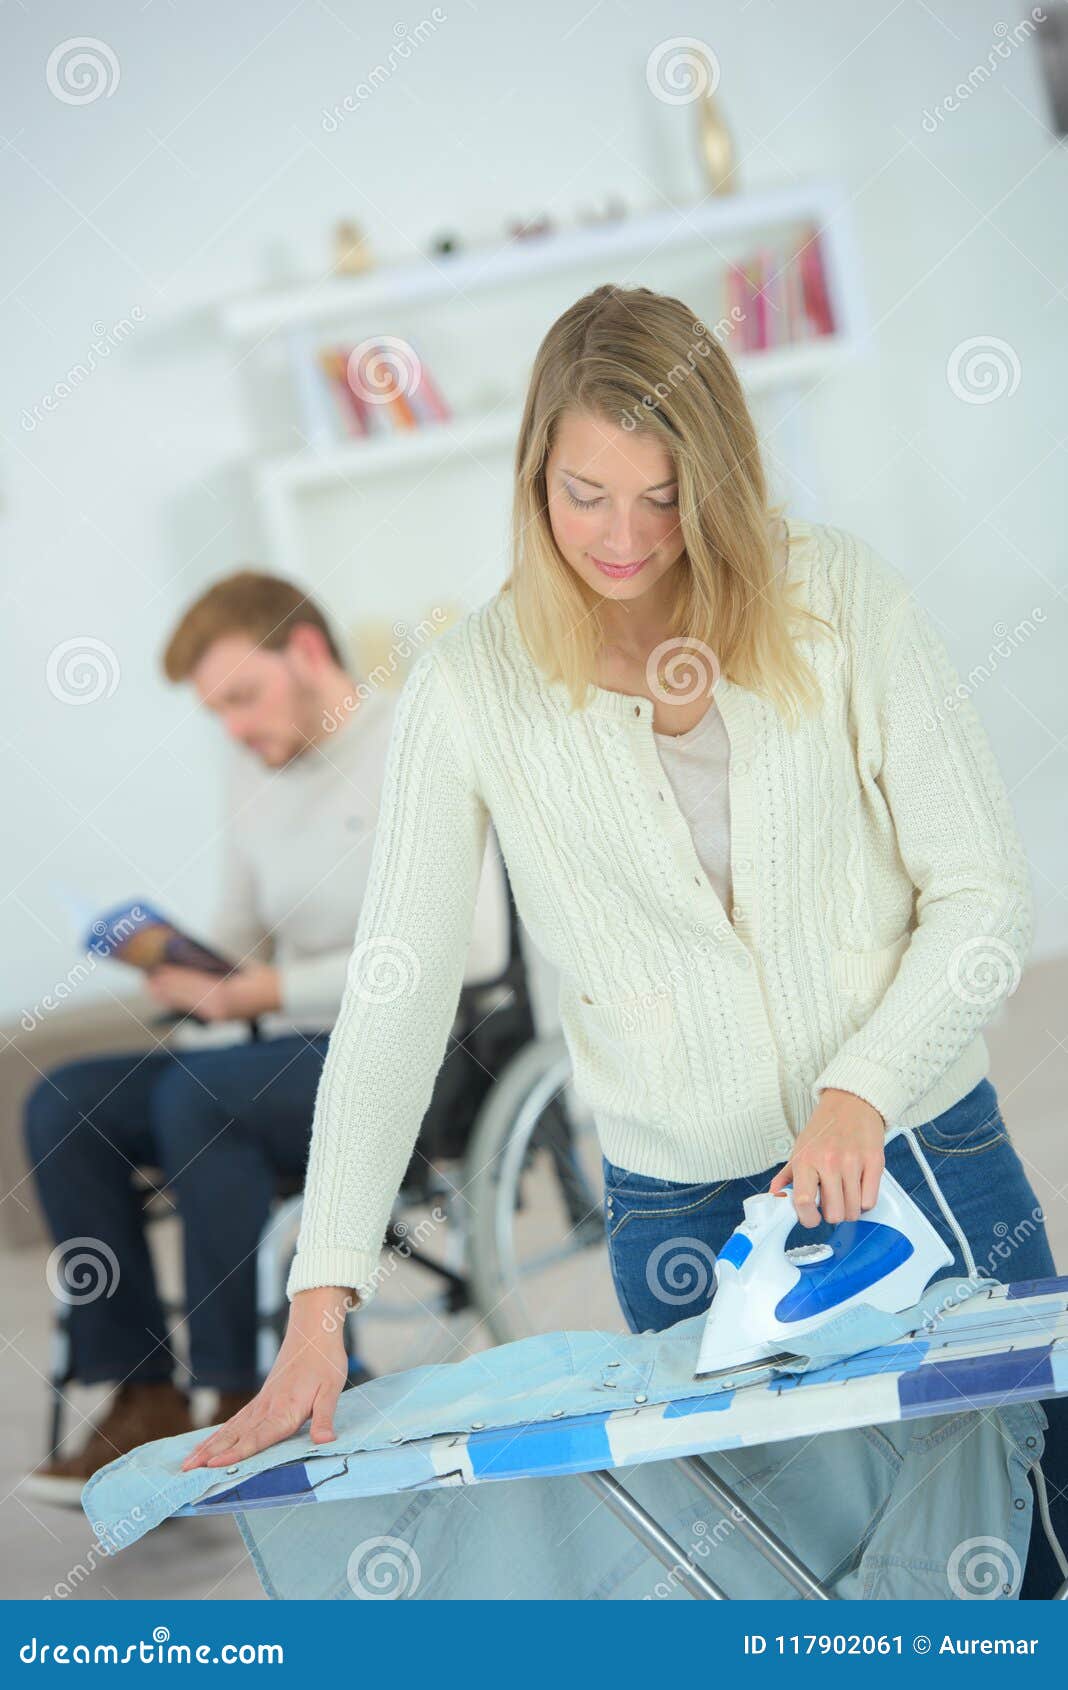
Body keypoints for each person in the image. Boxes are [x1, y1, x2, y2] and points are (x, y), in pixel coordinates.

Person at [178, 285, 1065, 1594]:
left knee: (1035, 1534)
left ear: (719, 473)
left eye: (662, 495)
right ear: (536, 466)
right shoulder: (472, 684)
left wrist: (858, 1086)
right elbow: (395, 997)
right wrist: (322, 1309)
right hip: (687, 1210)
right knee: (784, 1586)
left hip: (926, 1148)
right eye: (584, 491)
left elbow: (985, 896)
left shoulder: (837, 596)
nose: (622, 536)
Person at [22, 571, 509, 1504]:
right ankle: (144, 1394)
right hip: (281, 1052)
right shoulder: (254, 767)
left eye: (243, 697)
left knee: (197, 1098)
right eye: (219, 712)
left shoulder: (420, 736)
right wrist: (190, 965)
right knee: (65, 1101)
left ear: (310, 655)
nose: (236, 729)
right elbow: (244, 930)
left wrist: (270, 984)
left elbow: (474, 945)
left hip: (416, 1051)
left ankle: (249, 1385)